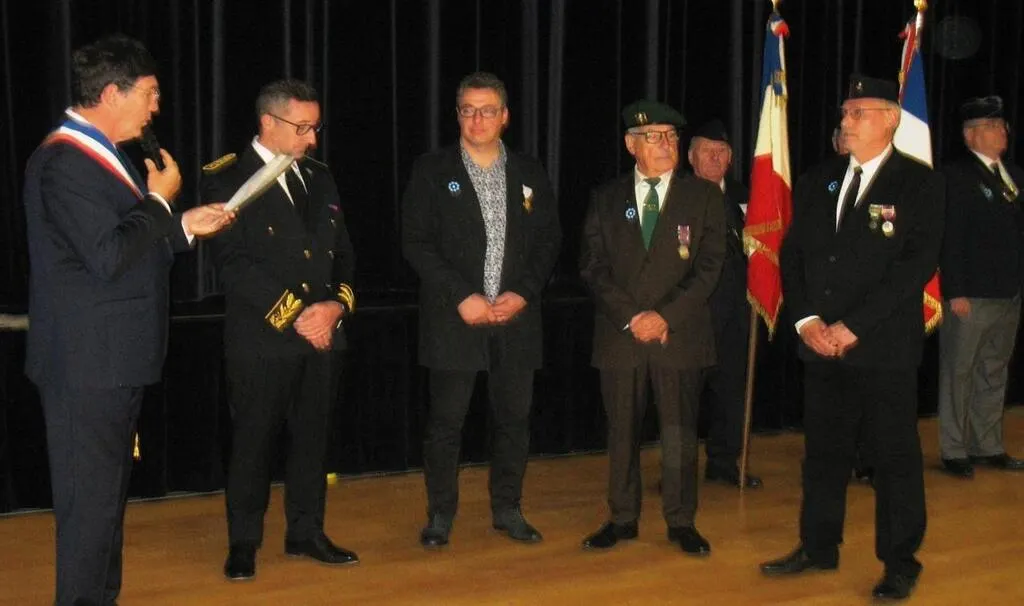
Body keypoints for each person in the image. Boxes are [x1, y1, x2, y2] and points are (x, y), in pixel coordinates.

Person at [22, 34, 234, 606]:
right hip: (87, 365)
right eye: (150, 93)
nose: (156, 106)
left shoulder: (103, 154)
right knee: (88, 511)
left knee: (104, 504)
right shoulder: (64, 161)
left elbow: (125, 245)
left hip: (112, 360)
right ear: (112, 93)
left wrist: (184, 224)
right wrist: (162, 202)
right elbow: (110, 255)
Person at [762, 74, 944, 601]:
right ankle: (818, 546)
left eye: (858, 112)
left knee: (893, 458)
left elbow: (915, 267)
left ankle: (900, 561)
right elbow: (793, 257)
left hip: (882, 348)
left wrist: (853, 326)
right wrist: (806, 322)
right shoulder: (820, 179)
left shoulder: (920, 183)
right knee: (823, 454)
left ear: (890, 118)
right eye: (845, 112)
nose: (845, 120)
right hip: (821, 346)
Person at [203, 79, 358, 580]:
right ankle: (244, 542)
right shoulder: (227, 179)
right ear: (268, 122)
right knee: (254, 442)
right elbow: (234, 265)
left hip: (322, 334)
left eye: (315, 126)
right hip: (262, 341)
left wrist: (335, 306)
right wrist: (299, 317)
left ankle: (306, 532)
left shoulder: (319, 175)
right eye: (302, 127)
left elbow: (344, 255)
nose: (311, 138)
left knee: (313, 440)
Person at [401, 71, 561, 548]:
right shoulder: (431, 170)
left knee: (513, 422)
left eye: (487, 109)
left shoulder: (530, 172)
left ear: (505, 116)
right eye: (468, 109)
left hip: (516, 320)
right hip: (456, 320)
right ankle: (440, 515)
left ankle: (508, 509)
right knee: (446, 425)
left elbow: (549, 241)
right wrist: (461, 296)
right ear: (457, 115)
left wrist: (524, 293)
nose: (477, 119)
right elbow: (416, 243)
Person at [579, 100, 725, 556]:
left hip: (678, 336)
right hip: (621, 337)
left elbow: (709, 267)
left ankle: (681, 520)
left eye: (670, 137)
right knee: (621, 432)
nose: (665, 145)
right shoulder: (606, 198)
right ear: (630, 145)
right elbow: (592, 267)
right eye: (653, 137)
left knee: (680, 433)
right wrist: (633, 317)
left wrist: (664, 317)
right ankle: (622, 518)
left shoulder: (703, 196)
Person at [937, 95, 1024, 478]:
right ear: (970, 135)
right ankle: (954, 449)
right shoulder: (955, 176)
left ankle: (987, 444)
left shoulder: (1014, 174)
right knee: (959, 372)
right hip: (970, 295)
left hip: (1008, 292)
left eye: (1002, 125)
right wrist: (954, 290)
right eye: (991, 126)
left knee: (994, 370)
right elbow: (949, 236)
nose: (1001, 132)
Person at [687, 119, 762, 488]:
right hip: (691, 316)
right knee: (684, 396)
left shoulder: (747, 197)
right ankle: (679, 469)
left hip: (738, 314)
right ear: (691, 157)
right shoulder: (677, 195)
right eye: (707, 151)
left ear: (730, 158)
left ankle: (724, 462)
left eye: (722, 152)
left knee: (732, 390)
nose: (715, 158)